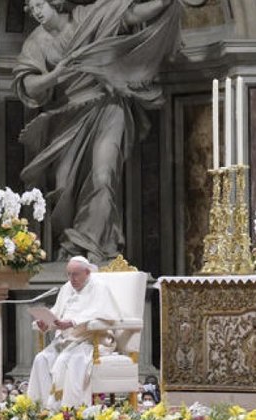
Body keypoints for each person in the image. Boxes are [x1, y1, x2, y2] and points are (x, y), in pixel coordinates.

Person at [15, 0, 181, 261]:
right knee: (64, 188)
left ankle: (95, 248)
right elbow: (28, 85)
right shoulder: (36, 42)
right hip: (68, 117)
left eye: (40, 3)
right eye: (32, 6)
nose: (36, 11)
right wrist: (56, 75)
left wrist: (162, 2)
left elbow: (130, 15)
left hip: (108, 107)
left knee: (103, 177)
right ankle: (75, 246)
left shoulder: (87, 17)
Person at [28, 256, 121, 408]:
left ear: (87, 272)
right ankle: (41, 408)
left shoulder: (99, 287)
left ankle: (68, 410)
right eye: (69, 274)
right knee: (41, 359)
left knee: (65, 360)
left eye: (76, 274)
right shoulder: (67, 288)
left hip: (91, 340)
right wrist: (46, 323)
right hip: (65, 341)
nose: (72, 279)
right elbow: (57, 313)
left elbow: (104, 314)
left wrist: (72, 322)